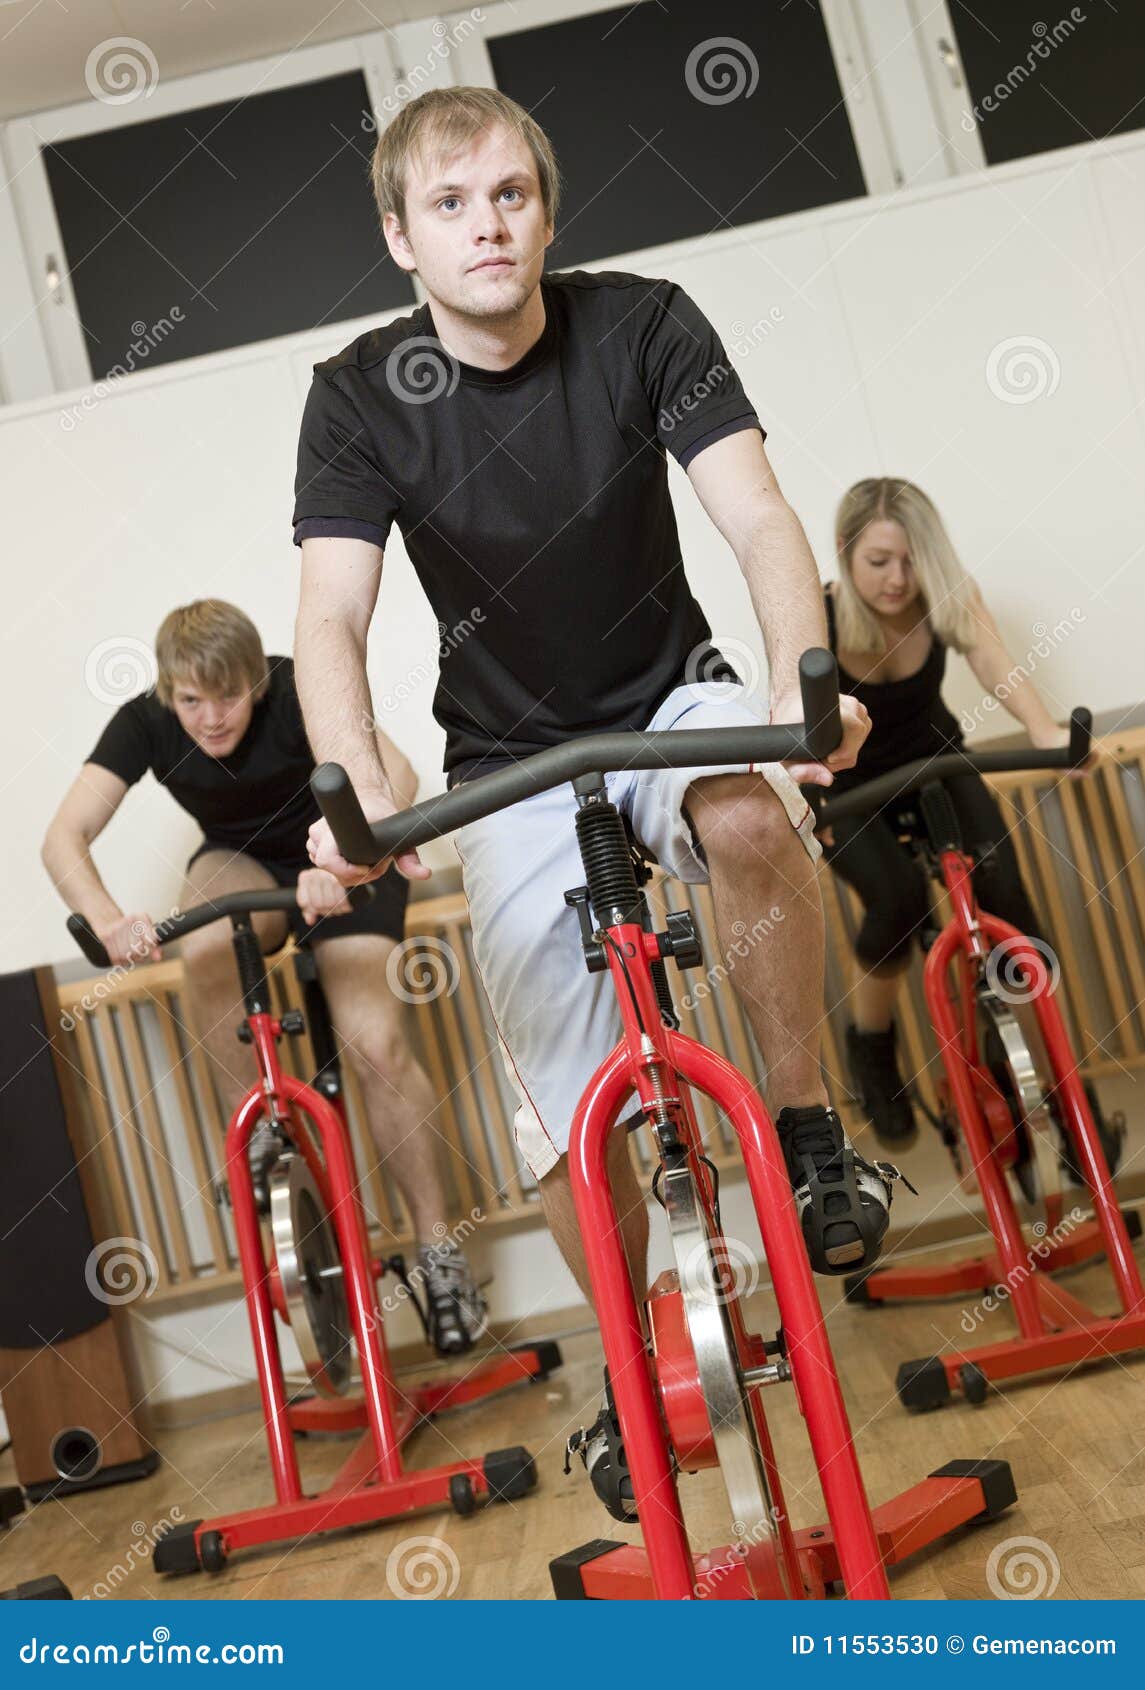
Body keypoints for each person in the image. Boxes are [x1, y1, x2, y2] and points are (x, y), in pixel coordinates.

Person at [289, 86, 905, 1521]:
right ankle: (630, 1369)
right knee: (574, 1109)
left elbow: (755, 514)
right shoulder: (356, 391)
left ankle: (811, 1142)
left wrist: (795, 681)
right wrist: (351, 777)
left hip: (663, 696)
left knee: (748, 817)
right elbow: (330, 614)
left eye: (509, 195)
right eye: (449, 205)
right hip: (499, 760)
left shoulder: (646, 321)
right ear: (401, 237)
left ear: (547, 213)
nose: (485, 225)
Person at [42, 599, 488, 1356]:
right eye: (191, 701)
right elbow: (64, 838)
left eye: (229, 697)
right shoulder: (145, 721)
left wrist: (337, 860)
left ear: (258, 680)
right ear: (167, 691)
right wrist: (110, 918)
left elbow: (400, 774)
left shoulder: (296, 688)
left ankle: (438, 1254)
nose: (211, 719)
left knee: (374, 1042)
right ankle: (257, 1136)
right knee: (209, 939)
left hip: (345, 858)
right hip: (243, 864)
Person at [819, 477, 1089, 1147]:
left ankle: (1058, 1089)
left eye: (910, 560)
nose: (896, 579)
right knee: (896, 897)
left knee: (1008, 904)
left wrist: (1045, 735)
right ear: (845, 552)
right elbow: (798, 724)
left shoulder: (944, 594)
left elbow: (995, 662)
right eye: (878, 562)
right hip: (846, 785)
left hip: (933, 761)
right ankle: (872, 1050)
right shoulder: (815, 615)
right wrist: (809, 803)